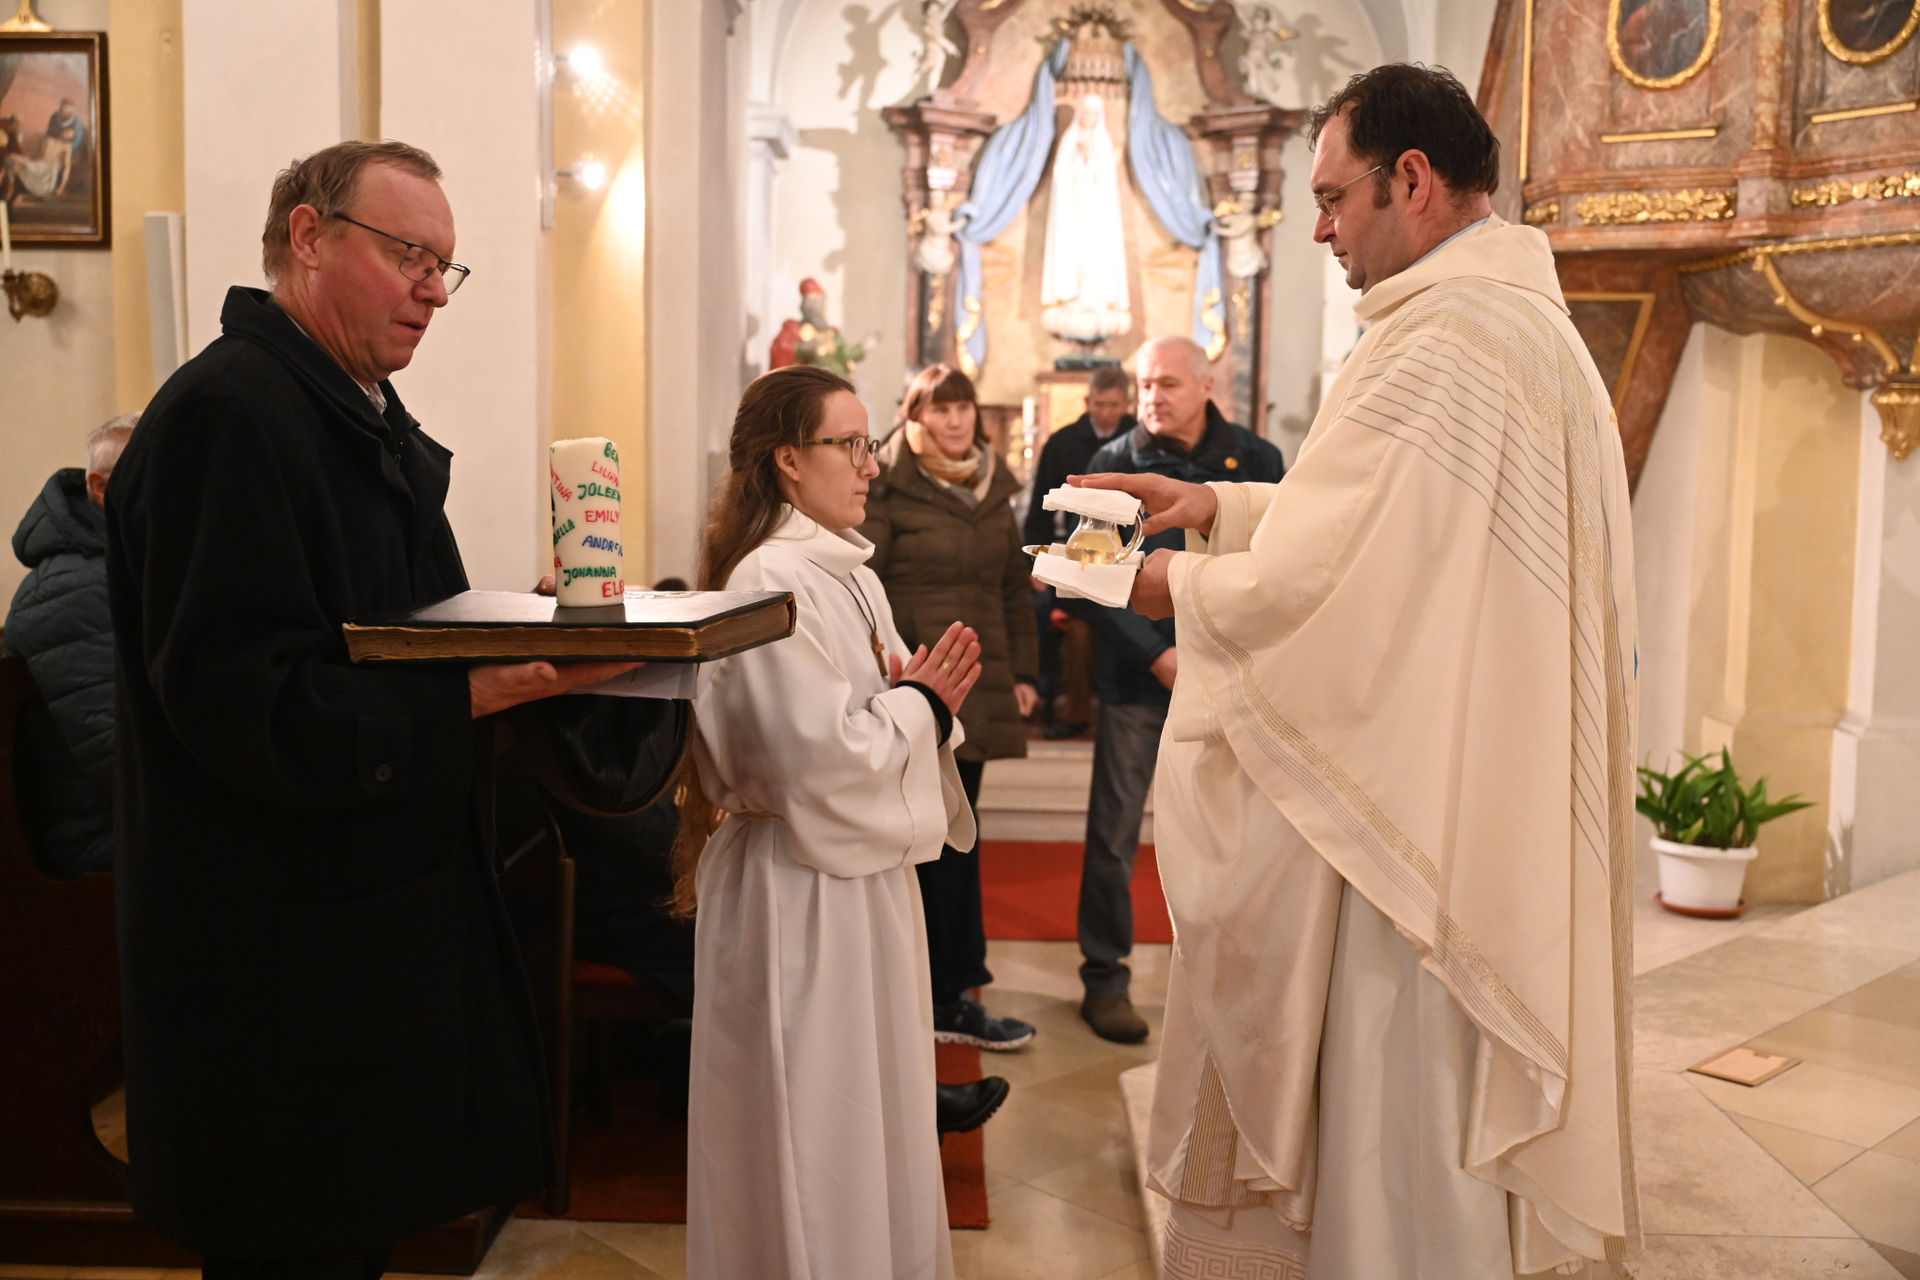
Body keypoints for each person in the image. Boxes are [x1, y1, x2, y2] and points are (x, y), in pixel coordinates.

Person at [1078, 65, 1639, 1277]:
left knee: (1393, 1123)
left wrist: (1159, 581)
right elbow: (1397, 533)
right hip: (1468, 784)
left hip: (1406, 836)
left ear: (1415, 181)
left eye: (1335, 197)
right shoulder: (1523, 329)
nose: (1322, 227)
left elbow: (1340, 581)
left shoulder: (1443, 343)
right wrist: (1220, 507)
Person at [105, 140, 635, 1278]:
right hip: (277, 974)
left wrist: (522, 632)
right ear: (308, 236)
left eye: (446, 266)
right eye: (410, 256)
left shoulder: (348, 409)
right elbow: (240, 702)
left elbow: (401, 633)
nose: (435, 290)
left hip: (355, 949)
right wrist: (484, 685)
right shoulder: (231, 416)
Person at [677, 363, 996, 1280]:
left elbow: (876, 706)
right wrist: (922, 708)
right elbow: (809, 761)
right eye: (847, 445)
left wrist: (914, 700)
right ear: (786, 460)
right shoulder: (769, 581)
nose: (868, 464)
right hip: (796, 897)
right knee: (810, 1141)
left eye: (869, 444)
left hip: (857, 892)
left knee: (871, 1125)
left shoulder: (841, 571)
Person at [1070, 337, 1282, 1044]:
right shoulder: (1113, 462)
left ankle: (1234, 977)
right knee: (1115, 833)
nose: (1153, 396)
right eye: (1145, 384)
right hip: (1138, 681)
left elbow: (1277, 567)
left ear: (1205, 384)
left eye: (1167, 383)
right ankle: (1105, 978)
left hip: (1228, 674)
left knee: (1235, 833)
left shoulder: (1257, 459)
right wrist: (1158, 654)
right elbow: (1093, 579)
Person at [861, 363, 1039, 1052]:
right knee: (921, 840)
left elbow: (1013, 588)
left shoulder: (996, 489)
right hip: (914, 686)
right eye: (940, 410)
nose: (956, 421)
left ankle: (947, 991)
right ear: (915, 417)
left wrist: (1023, 671)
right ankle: (931, 992)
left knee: (959, 837)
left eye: (963, 408)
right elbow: (865, 580)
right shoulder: (888, 481)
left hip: (978, 679)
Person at [6, 413, 136, 879]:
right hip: (96, 840)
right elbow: (121, 760)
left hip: (129, 820)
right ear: (100, 490)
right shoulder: (72, 590)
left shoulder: (124, 569)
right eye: (154, 476)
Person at [1021, 366, 1136, 738]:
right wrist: (1036, 566)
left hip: (1129, 555)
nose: (1105, 412)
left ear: (1127, 403)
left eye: (1113, 405)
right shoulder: (1062, 442)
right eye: (1099, 404)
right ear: (1087, 402)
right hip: (1078, 558)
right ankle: (1075, 712)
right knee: (1078, 628)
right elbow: (1040, 511)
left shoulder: (1141, 441)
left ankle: (1129, 712)